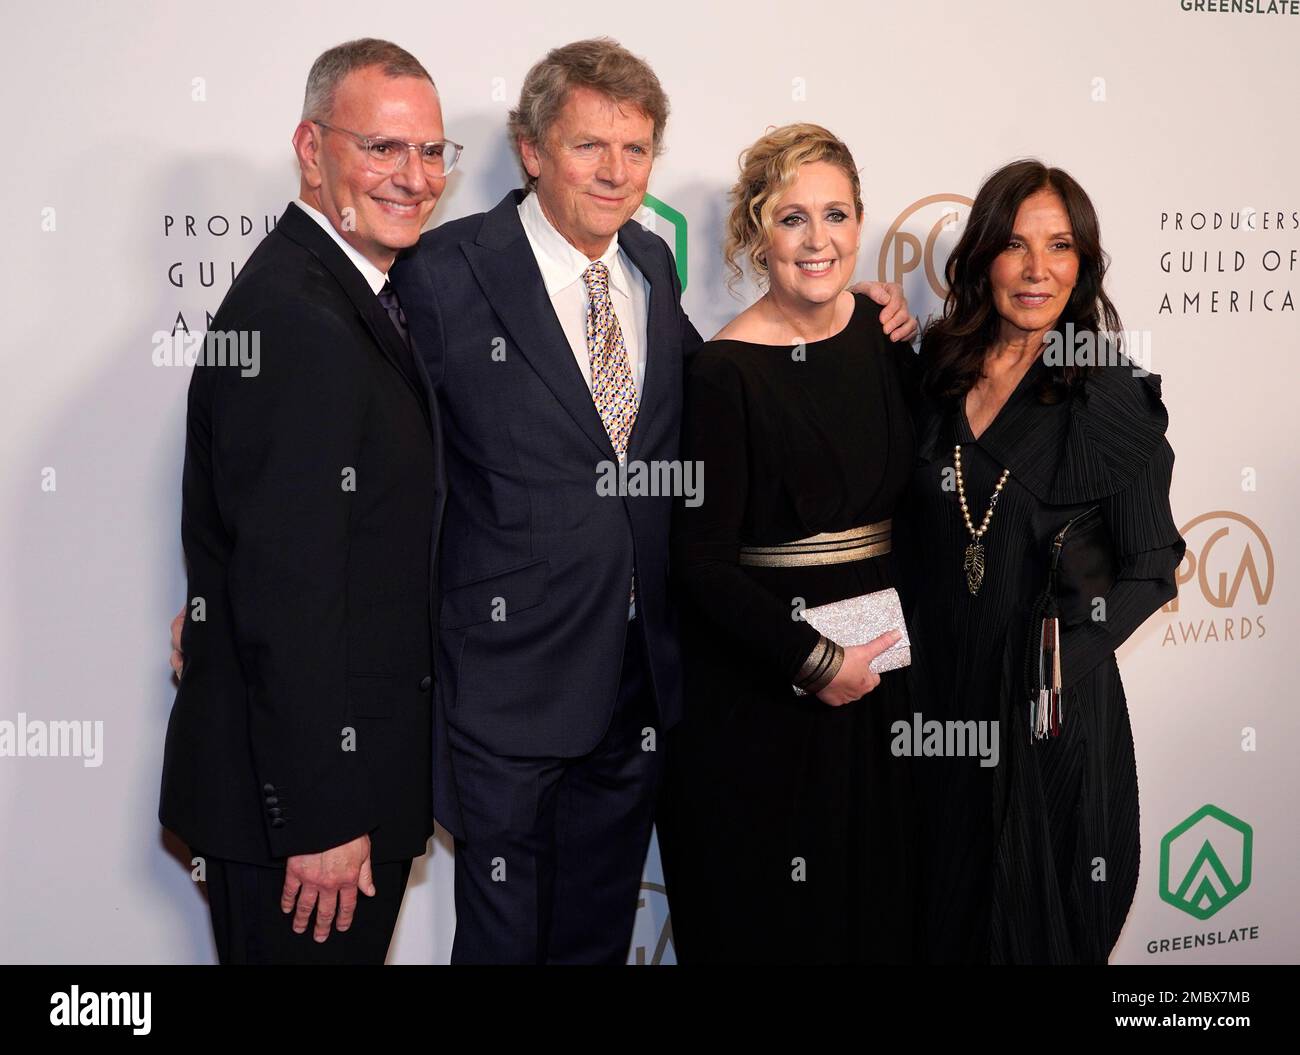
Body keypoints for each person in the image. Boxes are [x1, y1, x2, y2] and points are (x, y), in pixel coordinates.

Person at [389, 41, 915, 963]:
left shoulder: (649, 263)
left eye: (635, 150)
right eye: (590, 146)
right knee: (504, 946)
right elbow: (382, 467)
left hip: (639, 681)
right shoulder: (442, 273)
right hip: (507, 688)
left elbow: (728, 390)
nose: (616, 171)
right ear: (531, 148)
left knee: (592, 941)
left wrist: (853, 313)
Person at [159, 39, 453, 964]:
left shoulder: (347, 293)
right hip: (310, 820)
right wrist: (322, 817)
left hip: (316, 795)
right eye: (382, 149)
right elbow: (291, 599)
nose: (413, 178)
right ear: (311, 148)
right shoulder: (299, 319)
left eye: (431, 152)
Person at [898, 159, 1185, 963]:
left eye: (1060, 246)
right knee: (940, 915)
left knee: (1040, 927)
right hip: (941, 705)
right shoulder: (936, 375)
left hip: (1048, 718)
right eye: (1016, 245)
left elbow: (1151, 565)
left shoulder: (1108, 395)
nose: (1037, 269)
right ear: (982, 256)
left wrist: (1056, 662)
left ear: (1083, 264)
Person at [656, 124, 922, 964]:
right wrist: (813, 661)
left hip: (882, 689)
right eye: (792, 218)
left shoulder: (885, 337)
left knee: (878, 914)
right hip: (764, 701)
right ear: (754, 233)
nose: (819, 241)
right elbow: (697, 563)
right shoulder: (723, 371)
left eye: (836, 215)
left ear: (861, 222)